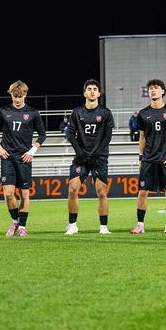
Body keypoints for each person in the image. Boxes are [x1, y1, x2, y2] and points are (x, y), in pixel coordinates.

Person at [0, 80, 46, 237]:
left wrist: (32, 151)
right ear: (11, 94)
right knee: (8, 193)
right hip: (7, 156)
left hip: (24, 157)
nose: (18, 99)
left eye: (20, 96)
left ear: (25, 95)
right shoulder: (3, 111)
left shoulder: (33, 113)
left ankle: (22, 226)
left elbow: (42, 135)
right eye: (15, 95)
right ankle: (15, 222)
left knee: (25, 194)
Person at [63, 79, 115, 235]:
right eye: (89, 89)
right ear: (84, 93)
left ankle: (103, 227)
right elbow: (70, 134)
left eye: (95, 89)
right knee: (72, 189)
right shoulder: (77, 113)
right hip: (81, 157)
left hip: (99, 158)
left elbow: (107, 137)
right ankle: (72, 225)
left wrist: (97, 153)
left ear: (99, 93)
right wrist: (80, 153)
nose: (92, 91)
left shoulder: (105, 113)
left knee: (102, 192)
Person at [130, 79, 166, 234]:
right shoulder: (143, 114)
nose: (153, 90)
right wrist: (140, 157)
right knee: (142, 191)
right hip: (148, 159)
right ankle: (140, 225)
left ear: (162, 91)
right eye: (151, 88)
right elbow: (142, 137)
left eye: (156, 88)